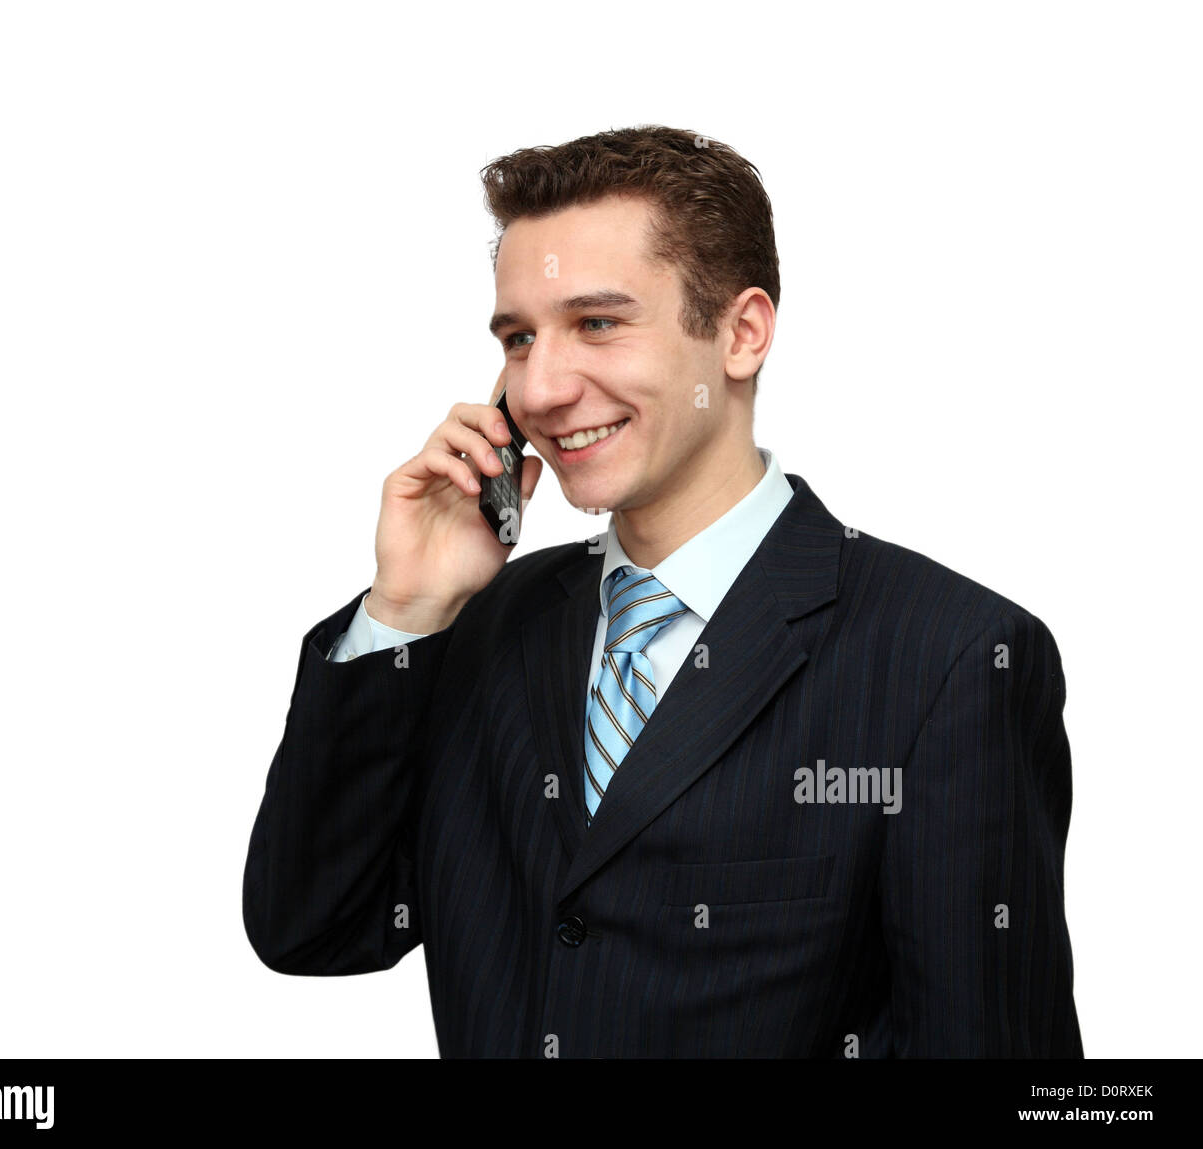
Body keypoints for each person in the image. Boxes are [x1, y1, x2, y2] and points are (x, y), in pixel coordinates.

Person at [241, 124, 1082, 1058]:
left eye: (597, 322)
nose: (545, 387)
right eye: (519, 337)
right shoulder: (480, 631)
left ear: (741, 332)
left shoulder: (949, 659)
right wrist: (407, 609)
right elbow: (310, 926)